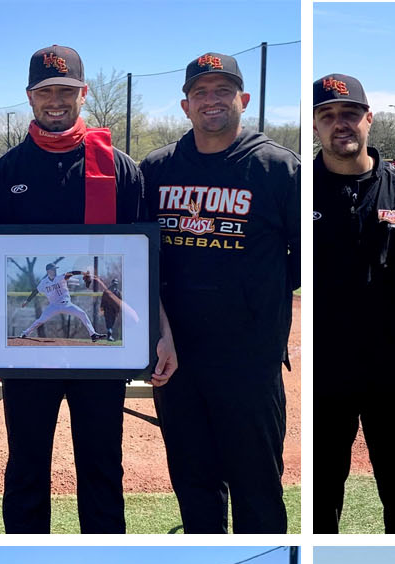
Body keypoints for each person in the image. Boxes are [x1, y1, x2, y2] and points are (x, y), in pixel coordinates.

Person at [0, 45, 175, 534]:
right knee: (27, 470)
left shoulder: (119, 169)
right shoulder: (2, 174)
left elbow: (145, 264)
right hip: (24, 363)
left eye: (66, 90)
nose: (56, 100)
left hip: (103, 363)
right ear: (30, 96)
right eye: (46, 91)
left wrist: (163, 332)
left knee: (102, 471)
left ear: (83, 93)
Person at [143, 53, 300, 534]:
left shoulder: (277, 167)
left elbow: (302, 256)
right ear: (186, 105)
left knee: (257, 488)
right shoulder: (157, 169)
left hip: (248, 360)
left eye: (223, 90)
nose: (212, 100)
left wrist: (254, 293)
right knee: (193, 484)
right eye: (202, 92)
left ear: (243, 100)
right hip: (177, 357)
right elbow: (139, 256)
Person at [313, 72, 395, 534]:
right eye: (327, 116)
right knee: (320, 483)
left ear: (368, 119)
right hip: (326, 360)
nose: (339, 124)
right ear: (314, 125)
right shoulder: (298, 189)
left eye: (349, 114)